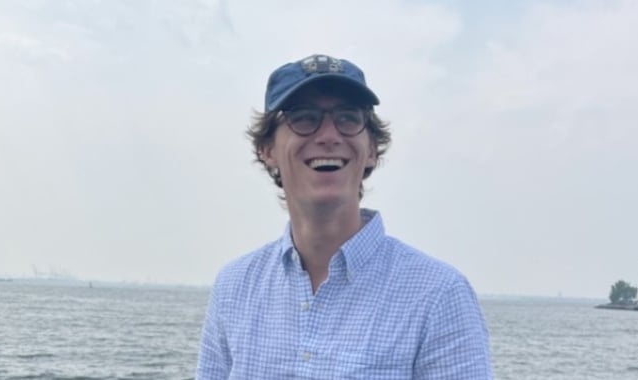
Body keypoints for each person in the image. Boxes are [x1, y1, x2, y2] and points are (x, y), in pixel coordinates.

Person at [196, 54, 492, 379]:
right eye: (304, 118)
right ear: (268, 150)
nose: (329, 135)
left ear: (371, 150)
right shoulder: (233, 287)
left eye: (348, 118)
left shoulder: (439, 295)